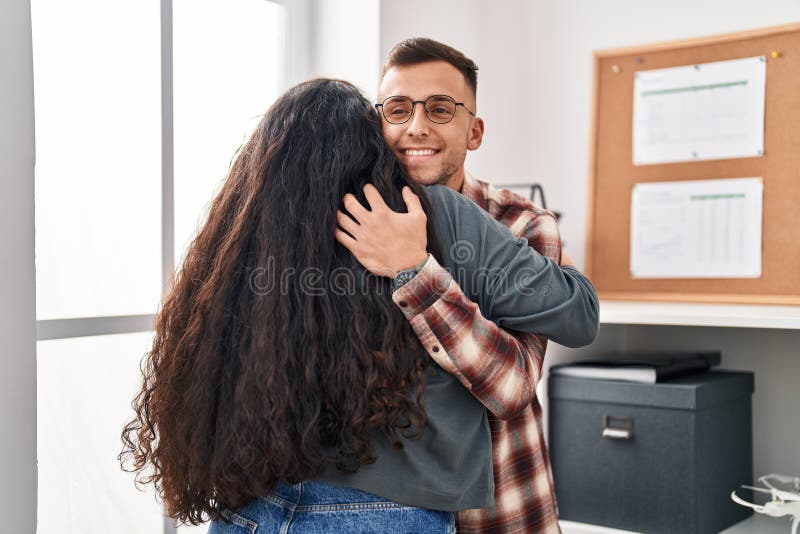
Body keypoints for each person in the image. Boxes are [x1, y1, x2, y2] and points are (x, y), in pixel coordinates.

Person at [120, 79, 597, 533]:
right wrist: (548, 253)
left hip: (251, 507)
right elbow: (579, 314)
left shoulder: (243, 238)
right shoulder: (435, 215)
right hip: (386, 516)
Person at [338, 38, 590, 533]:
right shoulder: (354, 221)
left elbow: (511, 387)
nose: (416, 127)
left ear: (473, 132)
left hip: (501, 508)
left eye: (439, 109)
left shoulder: (521, 224)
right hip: (387, 511)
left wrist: (413, 271)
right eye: (397, 110)